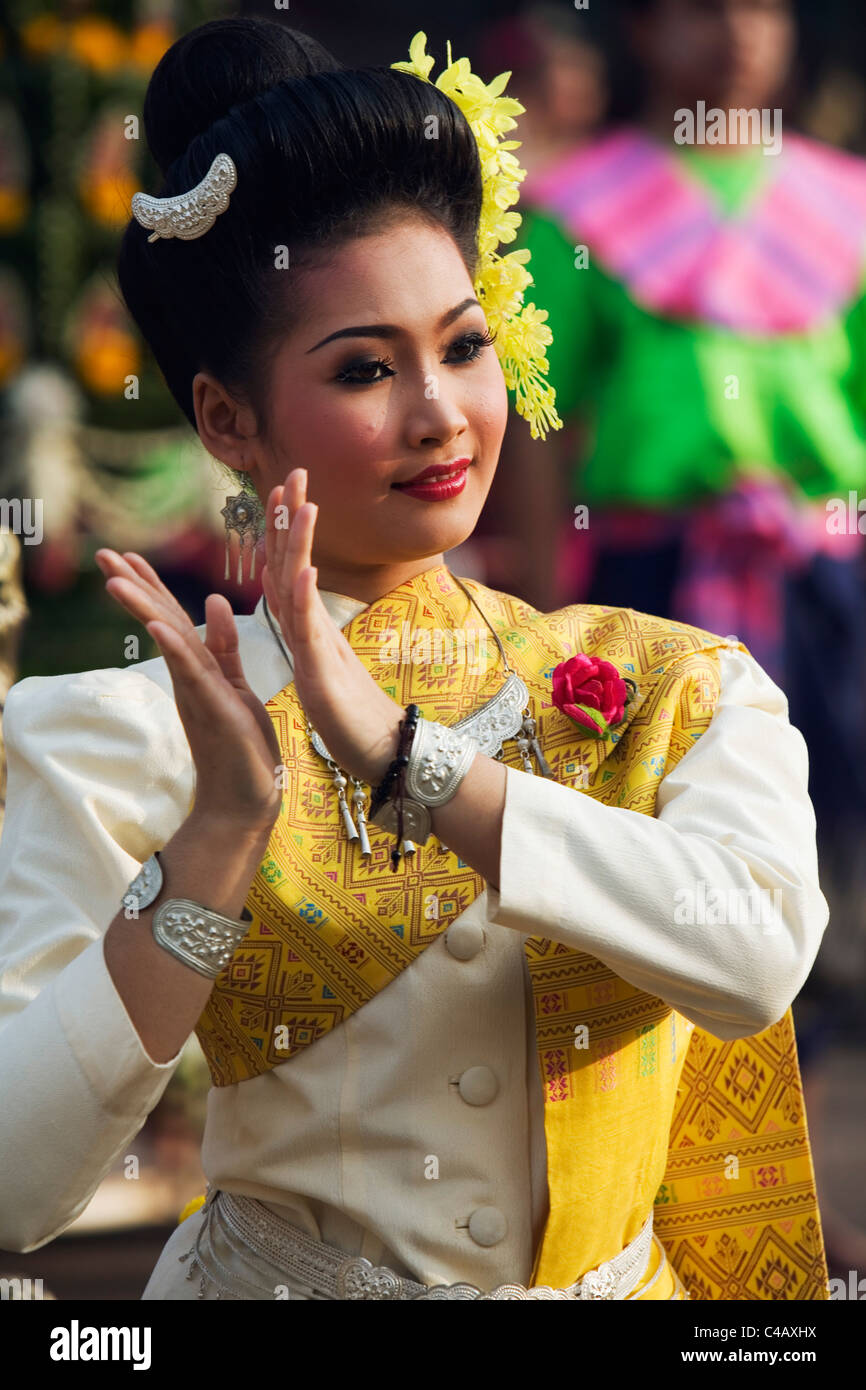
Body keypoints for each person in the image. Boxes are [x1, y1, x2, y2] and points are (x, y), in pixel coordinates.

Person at [0, 17, 829, 1301]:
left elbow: (757, 957)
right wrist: (214, 843)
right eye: (365, 369)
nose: (438, 412)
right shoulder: (136, 729)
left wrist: (412, 760)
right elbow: (15, 1188)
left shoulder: (676, 681)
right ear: (226, 418)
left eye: (462, 344)